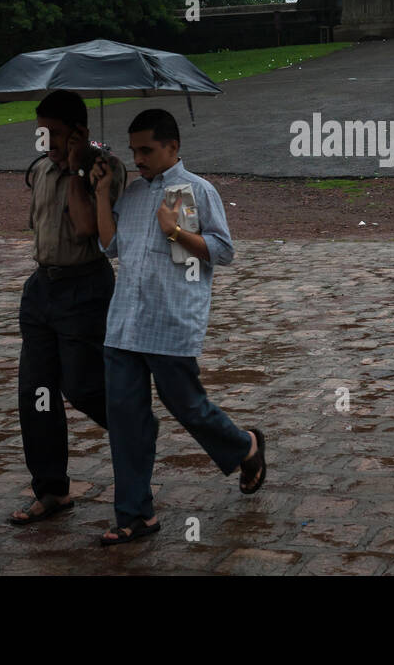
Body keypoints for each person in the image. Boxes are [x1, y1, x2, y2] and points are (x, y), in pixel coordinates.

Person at [90, 108, 266, 546]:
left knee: (188, 407)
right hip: (124, 325)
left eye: (147, 150)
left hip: (170, 323)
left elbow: (223, 251)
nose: (139, 158)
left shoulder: (195, 192)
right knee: (126, 421)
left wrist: (176, 233)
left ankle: (245, 446)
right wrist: (100, 195)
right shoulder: (130, 195)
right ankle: (135, 515)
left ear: (173, 146)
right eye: (133, 151)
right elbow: (110, 246)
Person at [10, 90, 130, 526]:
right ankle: (51, 489)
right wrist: (61, 162)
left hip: (85, 288)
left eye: (56, 134)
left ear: (80, 132)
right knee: (35, 393)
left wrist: (79, 170)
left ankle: (134, 427)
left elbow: (87, 231)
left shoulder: (106, 169)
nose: (46, 142)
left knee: (81, 387)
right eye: (41, 132)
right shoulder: (42, 169)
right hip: (42, 288)